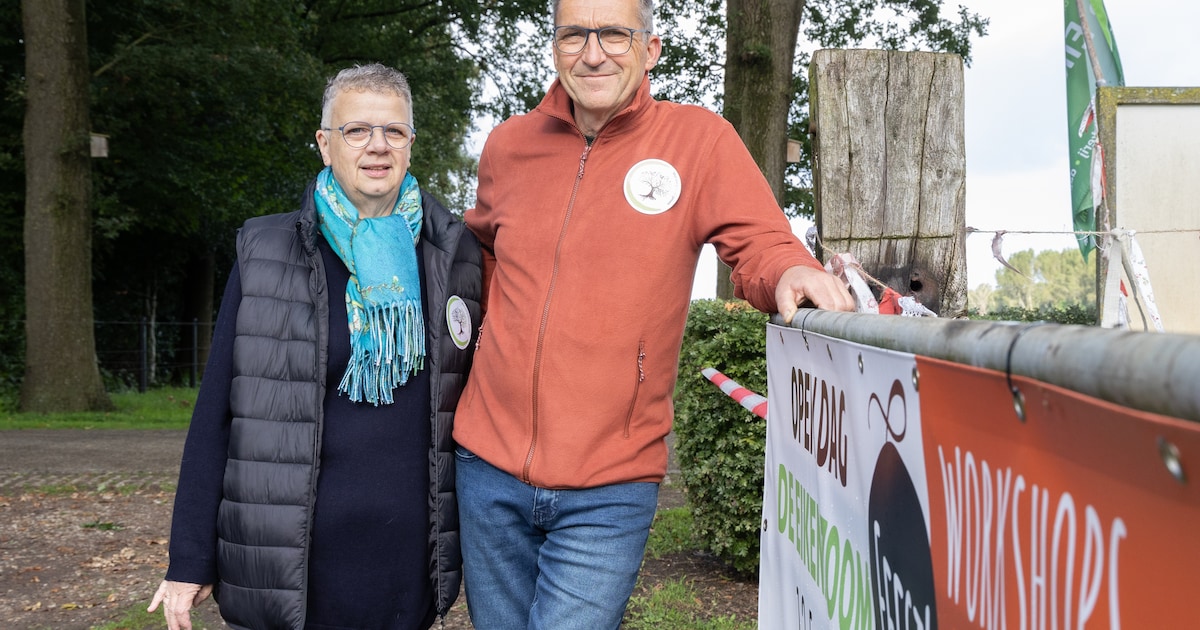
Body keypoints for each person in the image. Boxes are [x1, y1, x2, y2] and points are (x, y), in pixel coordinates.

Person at [451, 0, 856, 628]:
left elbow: (759, 243)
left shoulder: (697, 140)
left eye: (613, 33)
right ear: (554, 46)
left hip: (611, 483)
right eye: (573, 35)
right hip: (486, 469)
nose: (592, 53)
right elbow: (475, 261)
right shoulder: (509, 145)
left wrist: (789, 270)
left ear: (651, 48)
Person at [147, 63, 482, 630]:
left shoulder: (454, 253)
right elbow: (216, 415)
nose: (377, 146)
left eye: (394, 131)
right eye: (356, 131)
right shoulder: (266, 249)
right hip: (291, 557)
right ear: (326, 145)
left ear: (411, 145)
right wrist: (190, 557)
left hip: (407, 558)